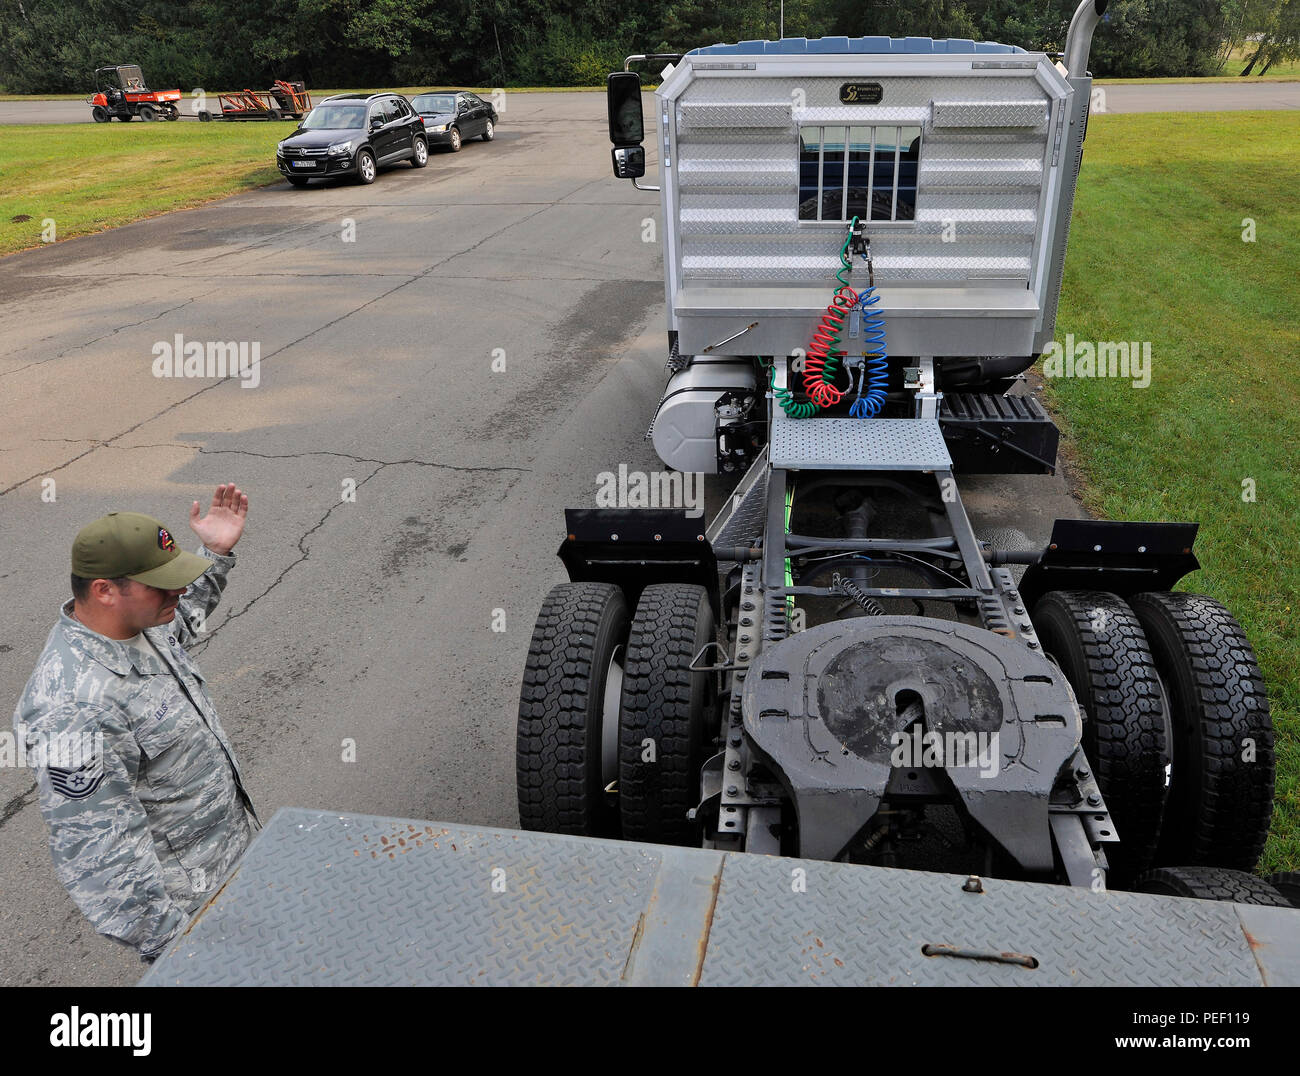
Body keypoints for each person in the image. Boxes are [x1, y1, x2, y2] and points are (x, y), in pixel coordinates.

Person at [13, 484, 258, 963]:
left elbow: (182, 617)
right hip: (195, 914)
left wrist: (215, 554)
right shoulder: (74, 706)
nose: (179, 590)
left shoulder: (139, 623)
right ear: (105, 590)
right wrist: (179, 951)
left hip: (237, 861)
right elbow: (100, 854)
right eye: (161, 583)